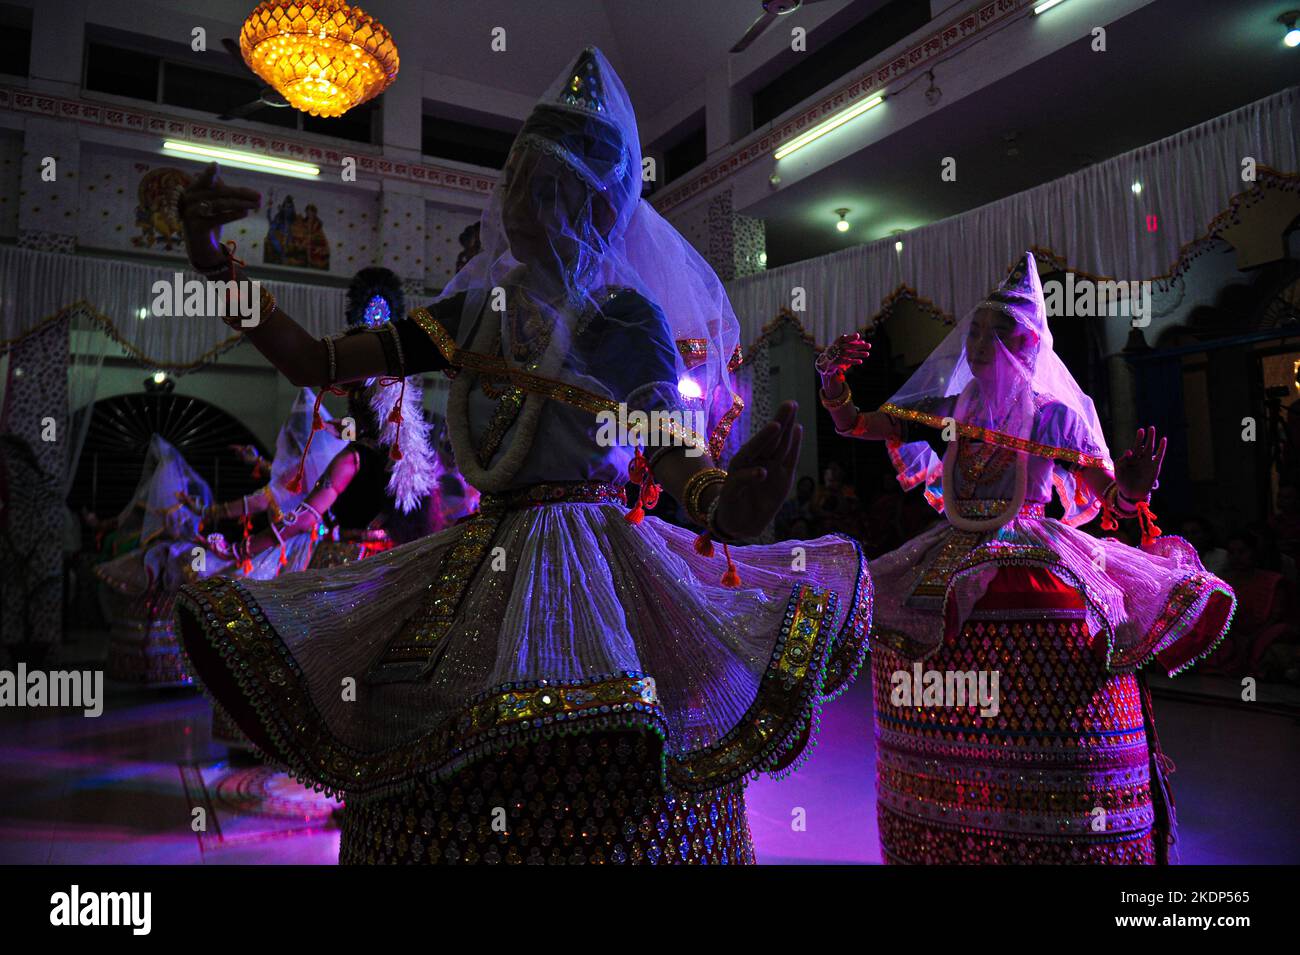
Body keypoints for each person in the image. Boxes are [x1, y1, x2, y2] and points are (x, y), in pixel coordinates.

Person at [172, 47, 871, 865]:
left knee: (597, 788)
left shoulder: (624, 320)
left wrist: (724, 504)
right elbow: (318, 363)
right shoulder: (473, 309)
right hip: (481, 558)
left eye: (558, 186)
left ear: (598, 201)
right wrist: (213, 266)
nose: (534, 204)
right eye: (524, 180)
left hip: (600, 568)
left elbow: (667, 447)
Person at [817, 251, 1235, 865]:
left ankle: (1060, 828)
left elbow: (1108, 500)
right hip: (952, 548)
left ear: (1031, 341)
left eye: (1001, 332)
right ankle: (942, 822)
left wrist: (1135, 491)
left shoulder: (1057, 415)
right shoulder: (954, 409)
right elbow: (857, 423)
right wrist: (831, 382)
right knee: (886, 625)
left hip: (1036, 549)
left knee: (1054, 634)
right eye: (977, 330)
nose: (984, 343)